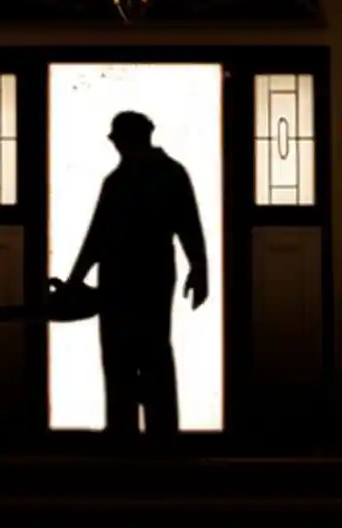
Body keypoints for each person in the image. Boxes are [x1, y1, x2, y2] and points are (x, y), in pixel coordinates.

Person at [66, 110, 208, 438]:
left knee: (123, 353)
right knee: (153, 347)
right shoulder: (170, 174)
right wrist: (199, 269)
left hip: (123, 277)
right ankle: (158, 430)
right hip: (152, 274)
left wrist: (76, 280)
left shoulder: (122, 181)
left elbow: (96, 238)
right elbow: (189, 227)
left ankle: (125, 429)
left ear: (124, 140)